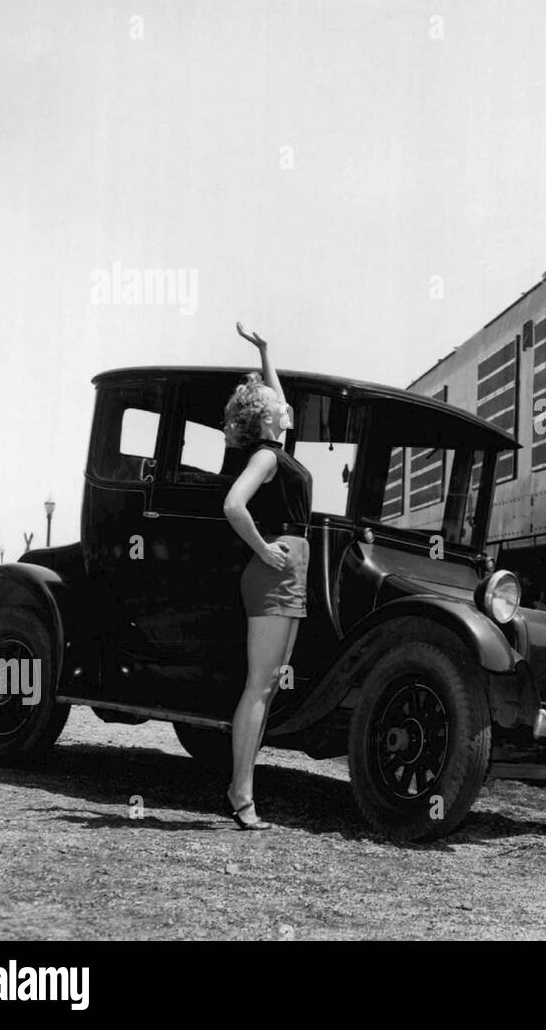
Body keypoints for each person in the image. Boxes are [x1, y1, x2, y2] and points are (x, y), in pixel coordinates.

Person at [220, 322, 312, 830]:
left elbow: (277, 399)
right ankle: (241, 793)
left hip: (290, 570)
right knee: (259, 685)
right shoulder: (264, 455)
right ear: (267, 419)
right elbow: (233, 505)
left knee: (271, 684)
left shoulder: (280, 447)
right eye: (277, 405)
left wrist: (265, 351)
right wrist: (263, 548)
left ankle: (241, 786)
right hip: (275, 573)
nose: (286, 404)